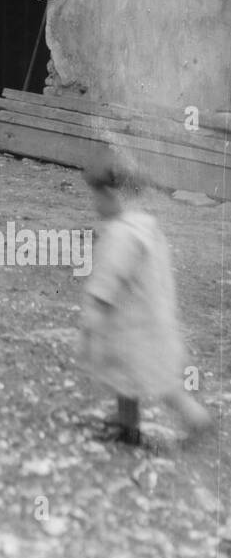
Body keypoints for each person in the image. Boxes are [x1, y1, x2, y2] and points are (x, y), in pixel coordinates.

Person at [78, 146, 212, 446]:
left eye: (97, 195)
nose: (94, 203)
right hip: (150, 321)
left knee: (160, 383)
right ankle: (127, 424)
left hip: (133, 330)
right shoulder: (145, 227)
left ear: (115, 196)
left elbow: (107, 282)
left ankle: (197, 418)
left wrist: (91, 320)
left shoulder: (121, 236)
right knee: (127, 380)